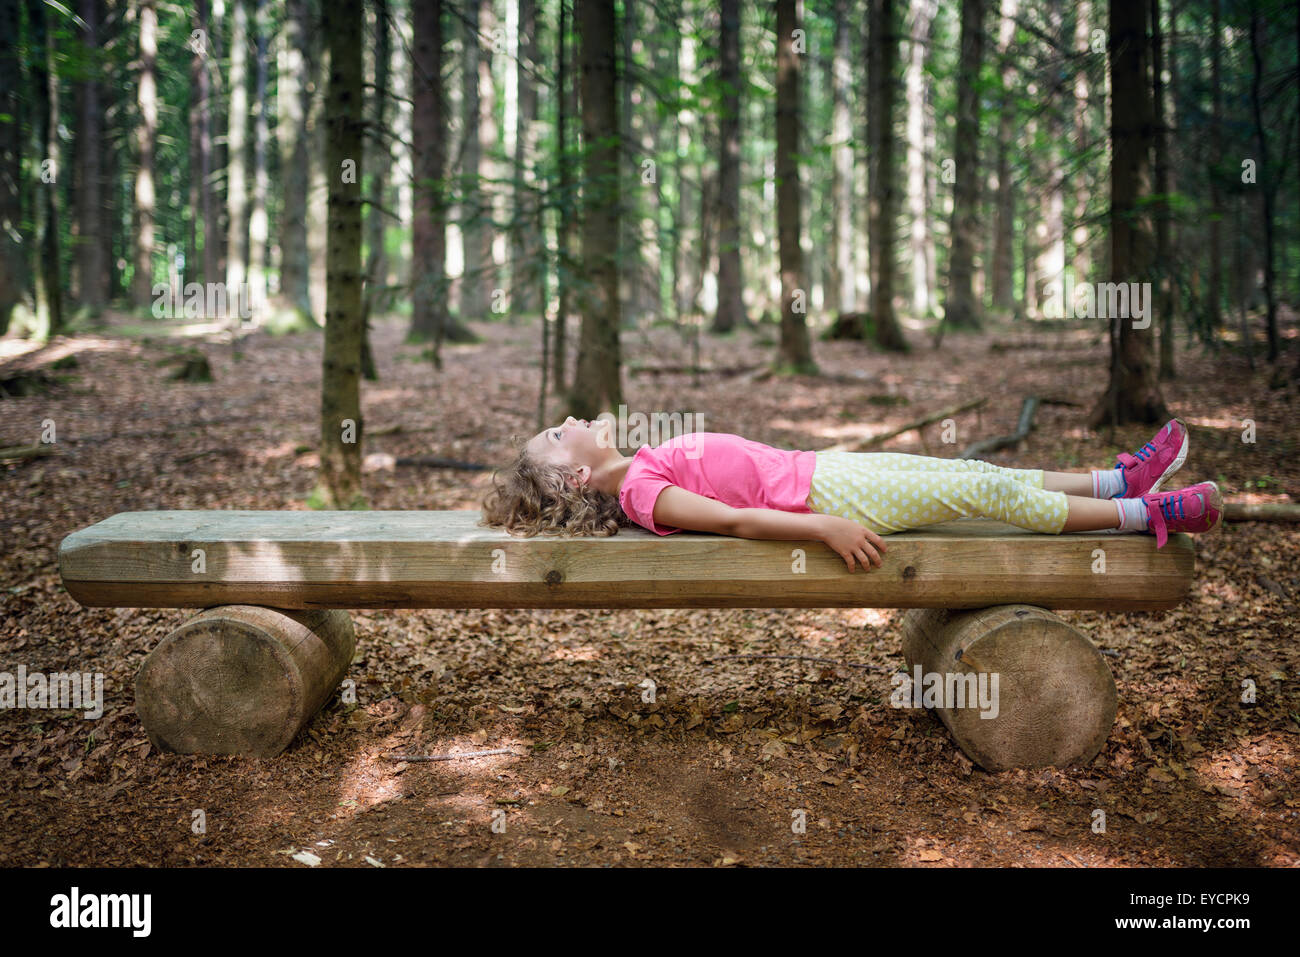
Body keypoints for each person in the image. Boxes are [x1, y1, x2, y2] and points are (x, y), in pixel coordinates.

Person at [479, 416, 1221, 571]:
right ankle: (1142, 514)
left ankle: (1118, 479)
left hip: (825, 466)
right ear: (575, 477)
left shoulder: (640, 463)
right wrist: (825, 528)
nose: (569, 419)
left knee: (980, 476)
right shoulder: (643, 491)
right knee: (980, 490)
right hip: (831, 496)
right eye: (555, 434)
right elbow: (736, 521)